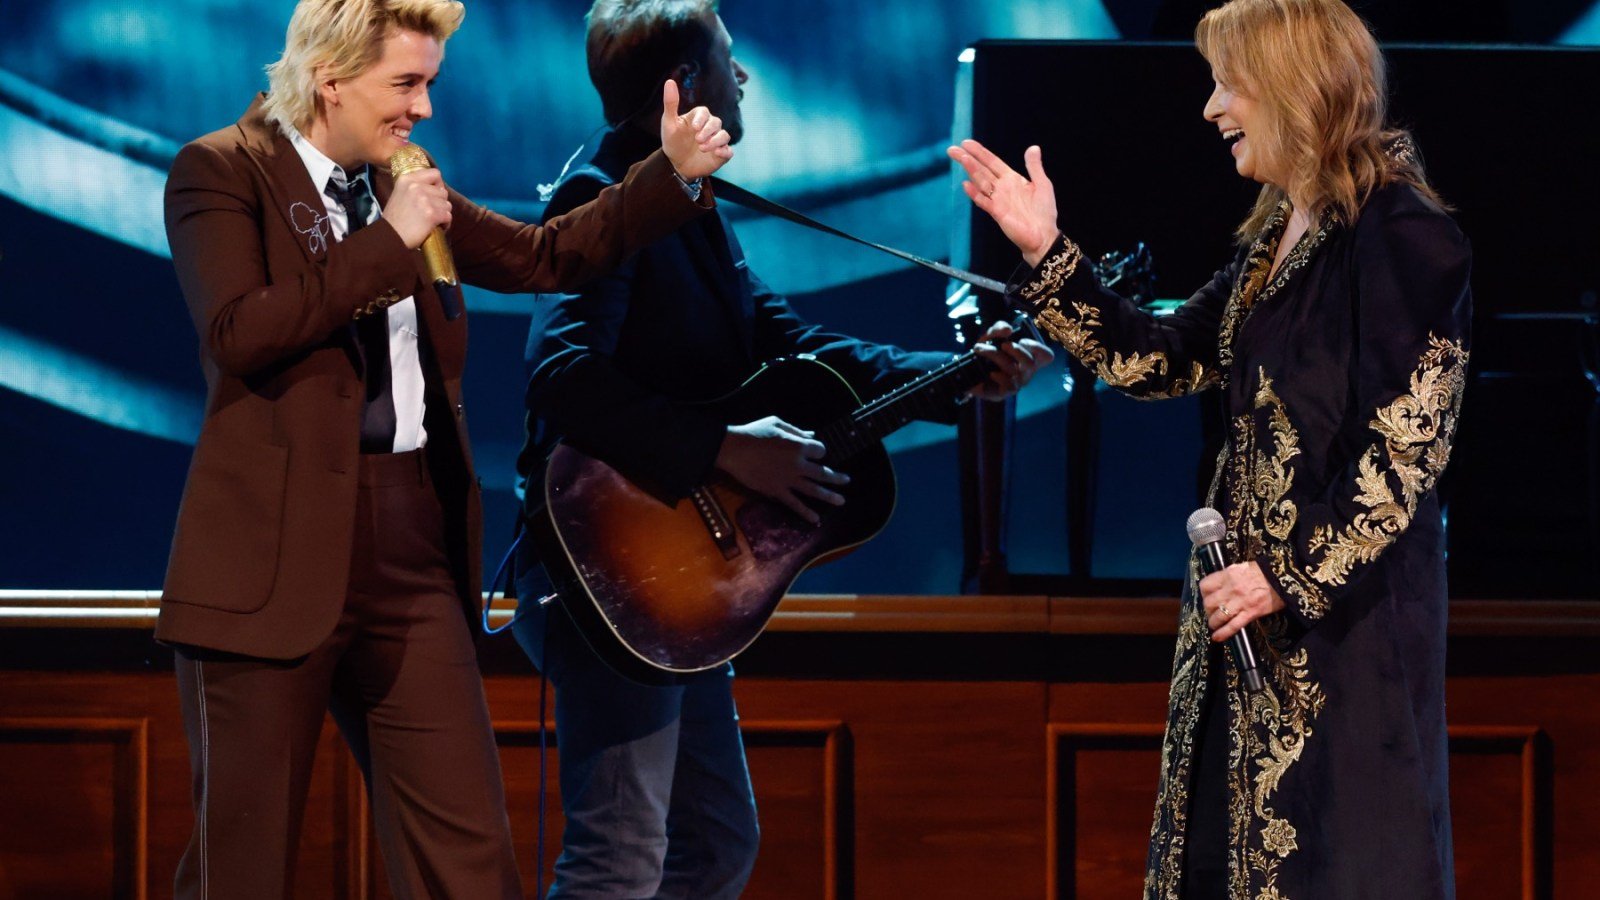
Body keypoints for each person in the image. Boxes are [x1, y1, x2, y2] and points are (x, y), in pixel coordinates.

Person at [156, 0, 733, 896]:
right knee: (242, 866)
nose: (423, 107)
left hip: (413, 548)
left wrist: (669, 173)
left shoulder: (403, 178)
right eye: (406, 84)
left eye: (429, 83)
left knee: (467, 865)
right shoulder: (221, 171)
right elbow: (240, 332)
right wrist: (391, 242)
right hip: (270, 558)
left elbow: (546, 256)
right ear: (331, 78)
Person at [507, 2, 1053, 896]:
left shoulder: (689, 204)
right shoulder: (604, 200)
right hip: (610, 580)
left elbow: (791, 342)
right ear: (681, 88)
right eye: (730, 59)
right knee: (618, 858)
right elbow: (561, 375)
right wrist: (721, 448)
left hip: (676, 588)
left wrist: (958, 375)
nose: (746, 78)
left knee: (716, 842)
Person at [949, 0, 1470, 897]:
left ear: (1288, 87)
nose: (1211, 108)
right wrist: (1046, 253)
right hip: (1244, 638)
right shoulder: (1277, 235)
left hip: (1338, 650)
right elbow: (1159, 362)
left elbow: (1404, 457)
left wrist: (1282, 572)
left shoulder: (1405, 234)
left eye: (1227, 84)